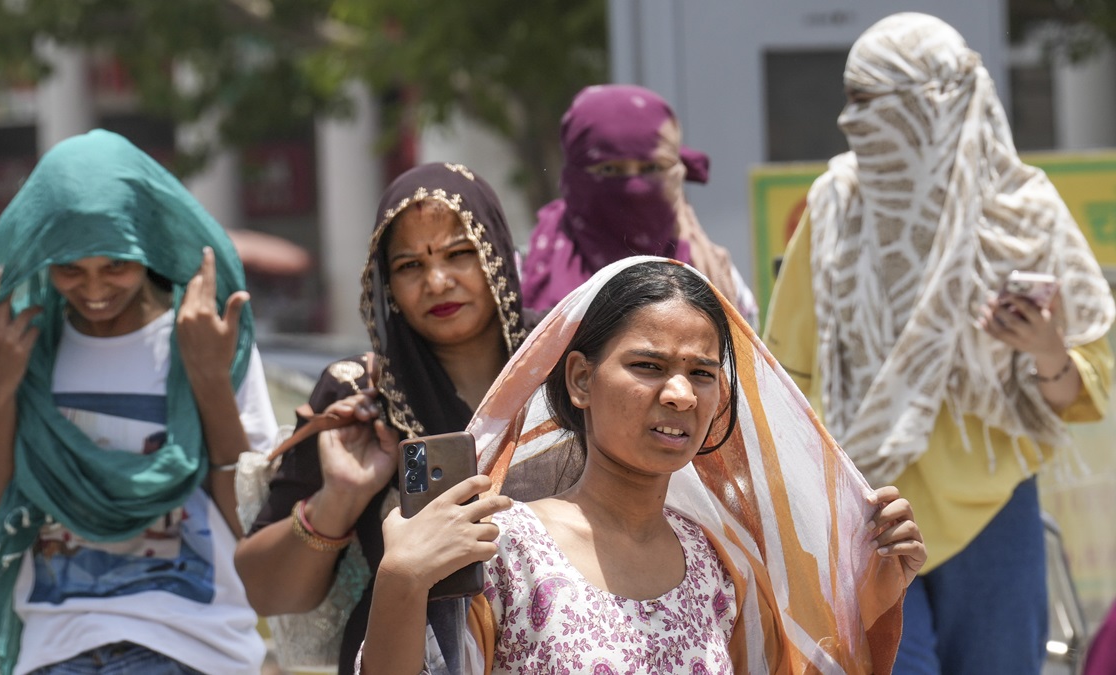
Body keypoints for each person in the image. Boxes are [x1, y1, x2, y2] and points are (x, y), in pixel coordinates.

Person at [359, 257, 925, 674]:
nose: (680, 394)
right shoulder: (504, 550)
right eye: (648, 365)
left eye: (702, 373)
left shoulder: (717, 569)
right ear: (581, 378)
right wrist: (401, 580)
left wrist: (867, 592)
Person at [764, 13, 1116, 674]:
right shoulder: (835, 205)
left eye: (869, 102)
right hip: (864, 510)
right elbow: (792, 375)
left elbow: (1080, 392)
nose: (849, 121)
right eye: (848, 98)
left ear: (936, 103)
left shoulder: (1023, 212)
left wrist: (1044, 346)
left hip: (994, 515)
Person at [0, 129, 279, 675]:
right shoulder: (23, 350)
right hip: (57, 649)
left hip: (192, 647)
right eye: (70, 270)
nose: (95, 289)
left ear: (147, 247)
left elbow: (252, 521)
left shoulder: (206, 338)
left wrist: (208, 380)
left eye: (116, 266)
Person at [235, 162, 531, 674]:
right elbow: (264, 590)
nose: (437, 281)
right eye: (410, 266)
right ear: (386, 282)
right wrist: (342, 496)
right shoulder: (361, 398)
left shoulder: (560, 372)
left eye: (459, 253)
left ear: (498, 255)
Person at [521, 83, 759, 326]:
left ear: (677, 171)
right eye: (610, 169)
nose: (634, 187)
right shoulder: (525, 272)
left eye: (652, 168)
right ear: (575, 175)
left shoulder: (716, 276)